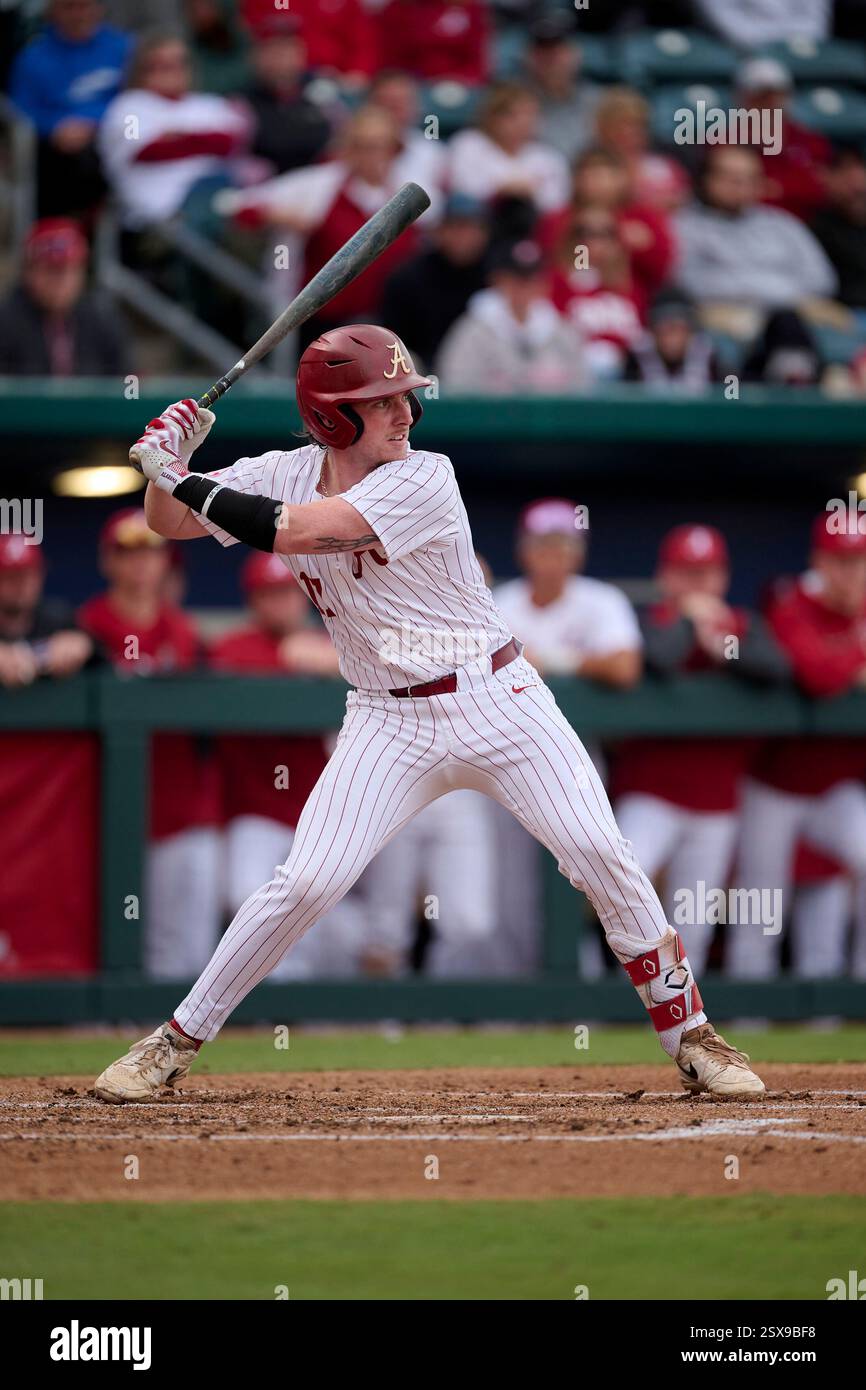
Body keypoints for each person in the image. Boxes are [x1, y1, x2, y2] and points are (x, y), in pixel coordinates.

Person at [93, 325, 764, 1102]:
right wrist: (167, 463)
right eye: (381, 403)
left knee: (600, 850)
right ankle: (172, 1043)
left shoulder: (427, 478)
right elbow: (166, 523)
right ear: (332, 418)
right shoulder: (281, 470)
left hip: (498, 699)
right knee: (306, 882)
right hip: (386, 718)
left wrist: (178, 473)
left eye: (405, 396)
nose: (405, 412)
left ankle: (693, 1035)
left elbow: (297, 529)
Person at [612, 524, 790, 974]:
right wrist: (693, 623)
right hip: (648, 792)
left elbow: (777, 669)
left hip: (716, 801)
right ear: (666, 576)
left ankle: (676, 1027)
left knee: (691, 929)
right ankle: (604, 1005)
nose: (697, 584)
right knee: (618, 895)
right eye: (686, 573)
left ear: (723, 577)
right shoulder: (649, 621)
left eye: (706, 573)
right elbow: (658, 659)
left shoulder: (743, 625)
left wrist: (725, 646)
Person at [490, 496, 643, 977]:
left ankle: (586, 997)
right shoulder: (501, 603)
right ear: (524, 551)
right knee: (512, 893)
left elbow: (624, 668)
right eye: (542, 545)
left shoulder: (602, 601)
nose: (552, 556)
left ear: (577, 553)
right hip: (502, 761)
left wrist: (553, 660)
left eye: (562, 546)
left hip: (573, 760)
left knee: (591, 876)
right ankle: (519, 1005)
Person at [78, 508, 221, 981]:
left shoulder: (184, 633)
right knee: (118, 936)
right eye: (129, 553)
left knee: (189, 947)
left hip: (181, 808)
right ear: (107, 561)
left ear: (166, 563)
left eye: (151, 553)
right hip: (108, 815)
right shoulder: (87, 627)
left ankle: (184, 1041)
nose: (141, 564)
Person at [209, 551, 365, 978]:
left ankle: (322, 1018)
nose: (281, 603)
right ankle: (279, 1010)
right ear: (253, 600)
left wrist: (328, 662)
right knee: (248, 896)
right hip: (254, 811)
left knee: (348, 930)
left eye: (288, 593)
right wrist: (288, 661)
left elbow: (388, 666)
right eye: (269, 594)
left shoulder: (337, 640)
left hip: (320, 812)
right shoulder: (232, 648)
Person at [730, 512, 866, 978]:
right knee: (761, 904)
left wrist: (846, 652)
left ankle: (838, 1017)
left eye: (859, 561)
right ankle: (748, 1018)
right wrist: (857, 654)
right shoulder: (790, 602)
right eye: (841, 561)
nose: (850, 572)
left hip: (837, 787)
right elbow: (816, 674)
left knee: (846, 883)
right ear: (819, 562)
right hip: (775, 784)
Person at [97, 31, 250, 232]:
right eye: (164, 65)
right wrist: (201, 140)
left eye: (181, 62)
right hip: (159, 216)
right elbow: (145, 150)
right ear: (142, 70)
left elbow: (229, 143)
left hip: (219, 197)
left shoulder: (210, 104)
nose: (175, 71)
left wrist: (178, 138)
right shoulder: (128, 107)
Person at [674, 146, 837, 322]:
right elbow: (688, 282)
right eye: (730, 177)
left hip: (789, 313)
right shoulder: (684, 226)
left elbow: (822, 279)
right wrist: (767, 289)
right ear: (706, 180)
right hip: (723, 317)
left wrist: (769, 295)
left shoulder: (783, 224)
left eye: (750, 178)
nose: (740, 185)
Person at [9, 0, 131, 218]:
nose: (79, 15)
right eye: (69, 7)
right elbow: (22, 113)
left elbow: (137, 102)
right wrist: (55, 128)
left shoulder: (124, 47)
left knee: (136, 134)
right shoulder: (32, 58)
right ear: (52, 12)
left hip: (120, 130)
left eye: (85, 6)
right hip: (60, 147)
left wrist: (94, 123)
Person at [436, 238, 587, 394]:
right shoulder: (472, 331)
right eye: (515, 279)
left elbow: (582, 387)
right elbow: (455, 385)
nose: (523, 287)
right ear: (498, 280)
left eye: (531, 279)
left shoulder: (563, 331)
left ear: (544, 284)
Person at [0, 218, 125, 377]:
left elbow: (129, 378)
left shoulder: (101, 318)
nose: (61, 282)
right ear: (29, 272)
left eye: (71, 270)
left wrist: (132, 395)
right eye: (51, 271)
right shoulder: (6, 321)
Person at [447, 81, 570, 236]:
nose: (523, 122)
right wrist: (502, 189)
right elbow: (463, 190)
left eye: (530, 114)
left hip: (532, 229)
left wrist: (529, 192)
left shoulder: (549, 156)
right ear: (492, 116)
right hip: (480, 229)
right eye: (512, 115)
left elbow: (556, 204)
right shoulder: (468, 144)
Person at [381, 193, 490, 369]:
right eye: (455, 227)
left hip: (478, 375)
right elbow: (392, 342)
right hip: (420, 375)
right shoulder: (409, 278)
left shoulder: (494, 276)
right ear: (440, 231)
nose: (463, 236)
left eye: (471, 228)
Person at [736, 58, 830, 223]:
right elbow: (733, 192)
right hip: (746, 225)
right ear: (745, 99)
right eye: (762, 96)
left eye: (778, 95)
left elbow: (822, 189)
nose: (772, 103)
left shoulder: (810, 140)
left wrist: (776, 188)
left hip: (809, 224)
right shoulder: (727, 140)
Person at [240, 14, 332, 176]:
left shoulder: (323, 93)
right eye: (273, 49)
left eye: (288, 49)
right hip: (269, 187)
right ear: (256, 56)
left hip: (320, 185)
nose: (282, 59)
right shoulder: (241, 104)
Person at [0, 534, 93, 687]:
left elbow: (100, 652)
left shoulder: (58, 617)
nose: (22, 585)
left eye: (29, 575)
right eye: (11, 576)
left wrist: (82, 644)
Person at [593, 86, 690, 214]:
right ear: (605, 128)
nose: (632, 132)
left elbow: (685, 199)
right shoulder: (593, 168)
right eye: (623, 124)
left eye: (638, 124)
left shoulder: (665, 165)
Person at [522, 12, 600, 164]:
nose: (551, 58)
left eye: (558, 49)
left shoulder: (598, 102)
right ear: (528, 57)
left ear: (576, 53)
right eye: (542, 49)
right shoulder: (512, 106)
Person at [622, 289, 722, 391]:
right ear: (653, 333)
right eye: (663, 330)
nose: (670, 338)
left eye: (676, 329)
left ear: (690, 332)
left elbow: (728, 398)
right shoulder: (635, 361)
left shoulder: (711, 359)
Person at [811, 146, 866, 323]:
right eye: (850, 185)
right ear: (828, 178)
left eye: (862, 192)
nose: (858, 191)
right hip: (844, 313)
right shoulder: (818, 229)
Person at [376, 0, 489, 85]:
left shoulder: (467, 9)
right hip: (410, 81)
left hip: (458, 83)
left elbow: (476, 60)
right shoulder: (398, 9)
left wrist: (460, 78)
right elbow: (390, 55)